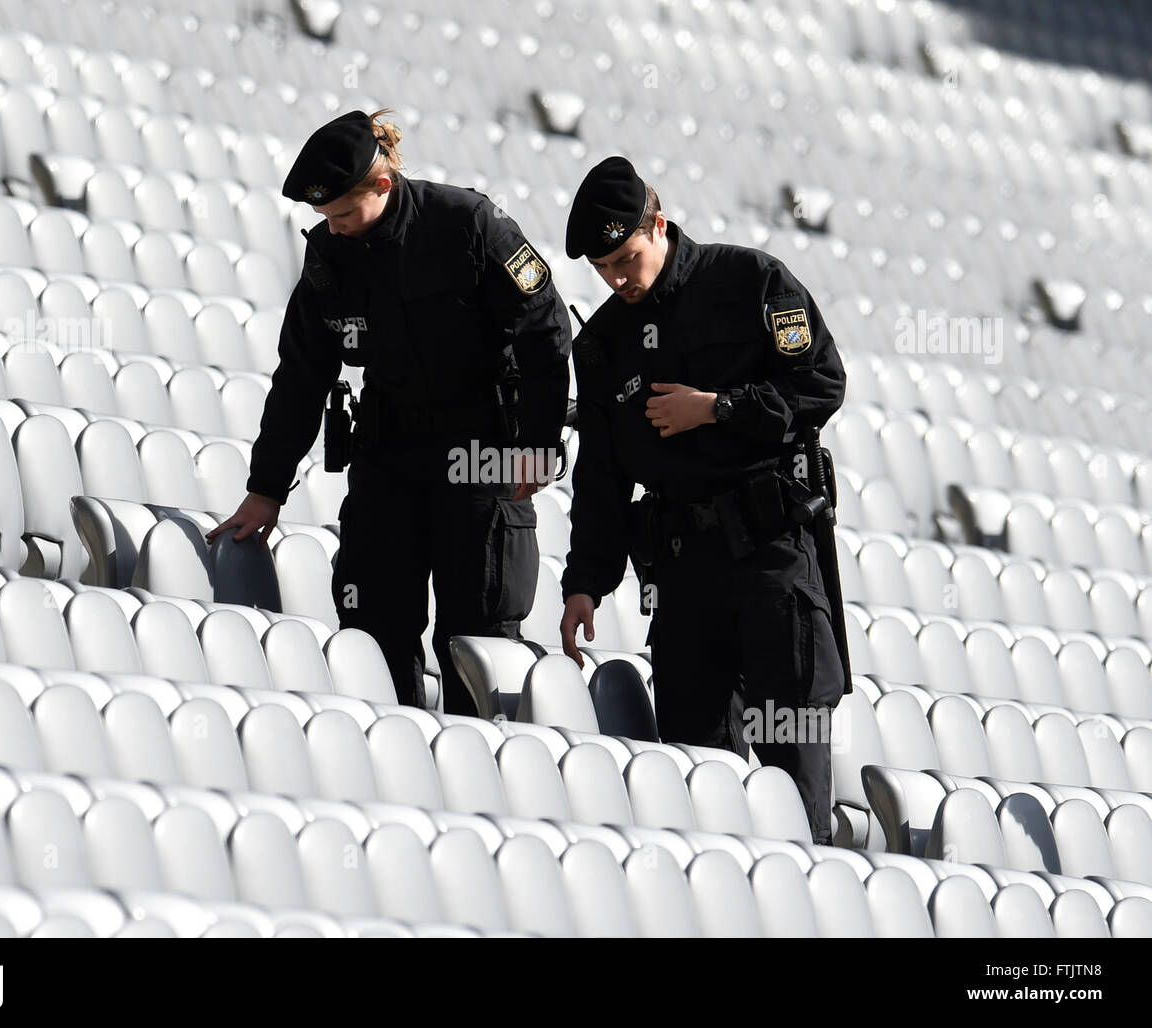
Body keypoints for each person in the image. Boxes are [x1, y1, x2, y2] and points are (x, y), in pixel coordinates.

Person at [209, 110, 571, 715]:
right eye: (326, 217)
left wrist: (537, 443)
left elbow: (546, 328)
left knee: (477, 639)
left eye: (345, 213)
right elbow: (301, 375)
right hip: (390, 457)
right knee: (371, 631)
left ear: (383, 185)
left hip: (481, 457)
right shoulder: (330, 255)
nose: (337, 227)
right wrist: (265, 489)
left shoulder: (468, 223)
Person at [557, 156, 848, 844]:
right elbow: (601, 476)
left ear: (658, 224)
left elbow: (822, 383)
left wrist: (717, 409)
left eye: (627, 258)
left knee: (795, 784)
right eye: (603, 269)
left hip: (774, 561)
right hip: (683, 580)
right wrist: (585, 584)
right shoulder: (600, 345)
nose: (618, 278)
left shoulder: (749, 280)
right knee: (697, 783)